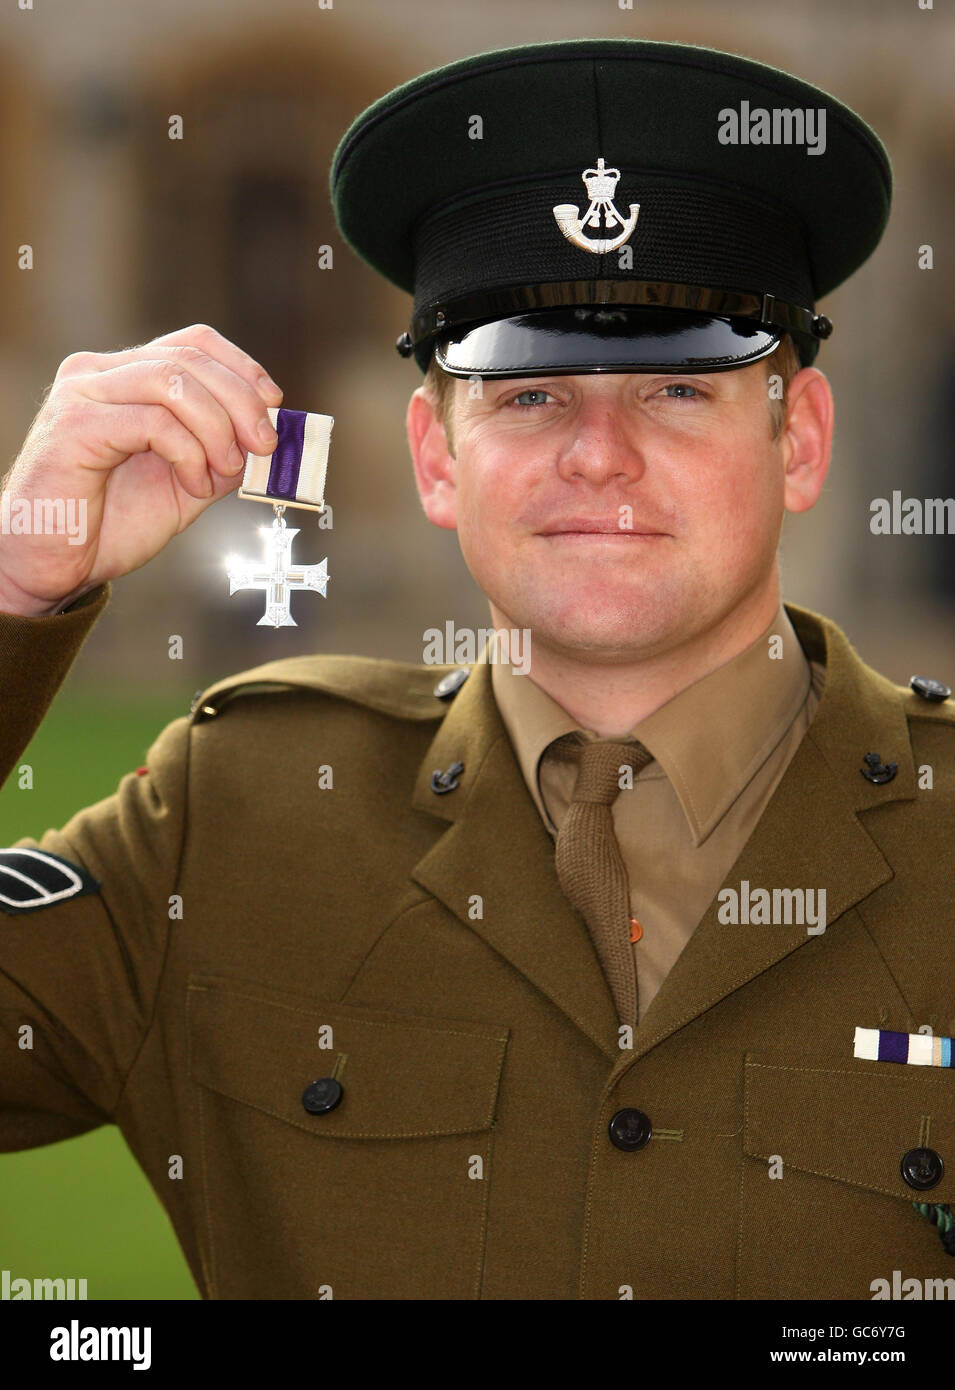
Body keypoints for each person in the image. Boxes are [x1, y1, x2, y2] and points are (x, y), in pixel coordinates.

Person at [0, 37, 952, 1302]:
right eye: (529, 395)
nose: (599, 454)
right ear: (436, 456)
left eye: (678, 389)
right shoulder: (239, 817)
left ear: (800, 439)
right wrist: (16, 588)